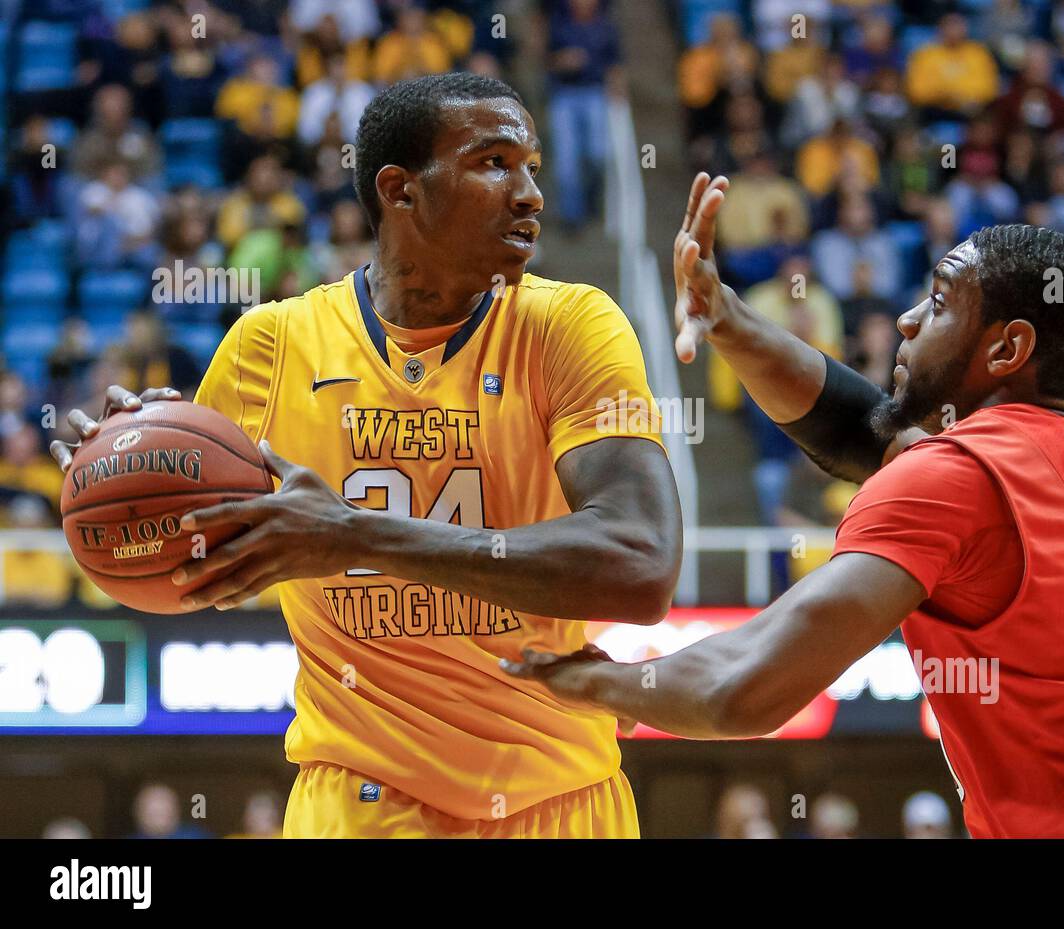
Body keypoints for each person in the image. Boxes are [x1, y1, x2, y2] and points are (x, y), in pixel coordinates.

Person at [504, 173, 1064, 840]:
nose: (910, 317)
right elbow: (862, 430)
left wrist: (589, 684)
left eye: (941, 301)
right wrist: (729, 319)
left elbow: (744, 686)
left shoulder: (957, 474)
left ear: (1007, 349)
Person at [51, 73, 682, 839]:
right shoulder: (271, 347)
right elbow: (190, 566)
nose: (529, 195)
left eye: (533, 168)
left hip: (559, 798)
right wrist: (120, 478)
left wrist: (354, 535)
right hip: (358, 804)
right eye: (493, 163)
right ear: (400, 190)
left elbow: (642, 562)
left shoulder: (571, 326)